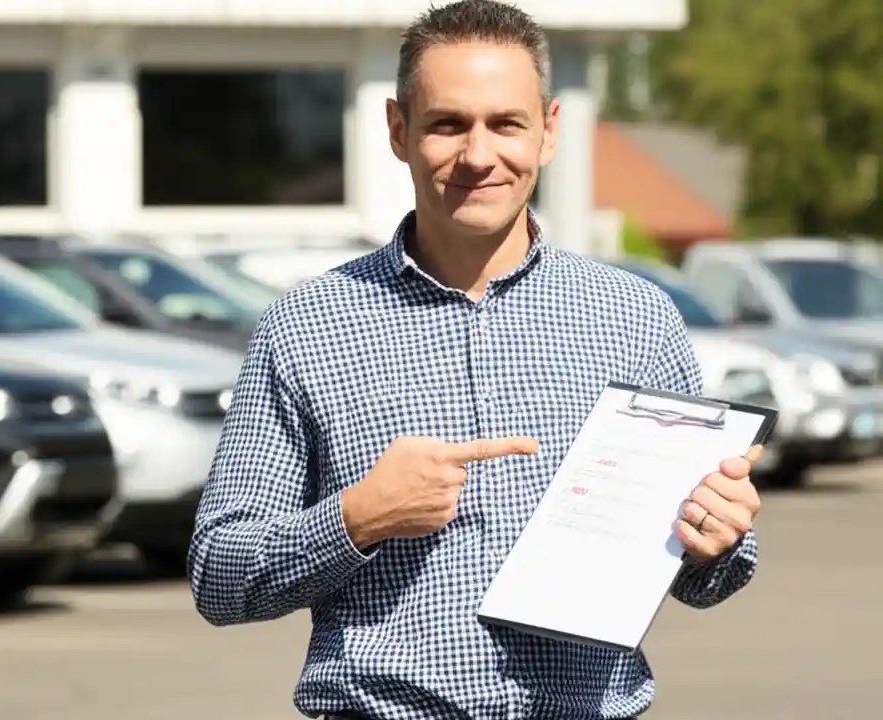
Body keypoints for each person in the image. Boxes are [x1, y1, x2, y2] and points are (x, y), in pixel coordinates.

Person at [186, 1, 765, 718]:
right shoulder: (305, 327)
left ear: (549, 131)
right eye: (448, 124)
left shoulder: (635, 319)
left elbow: (707, 580)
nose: (479, 155)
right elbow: (219, 575)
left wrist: (716, 540)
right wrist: (359, 516)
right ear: (399, 131)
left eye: (506, 123)